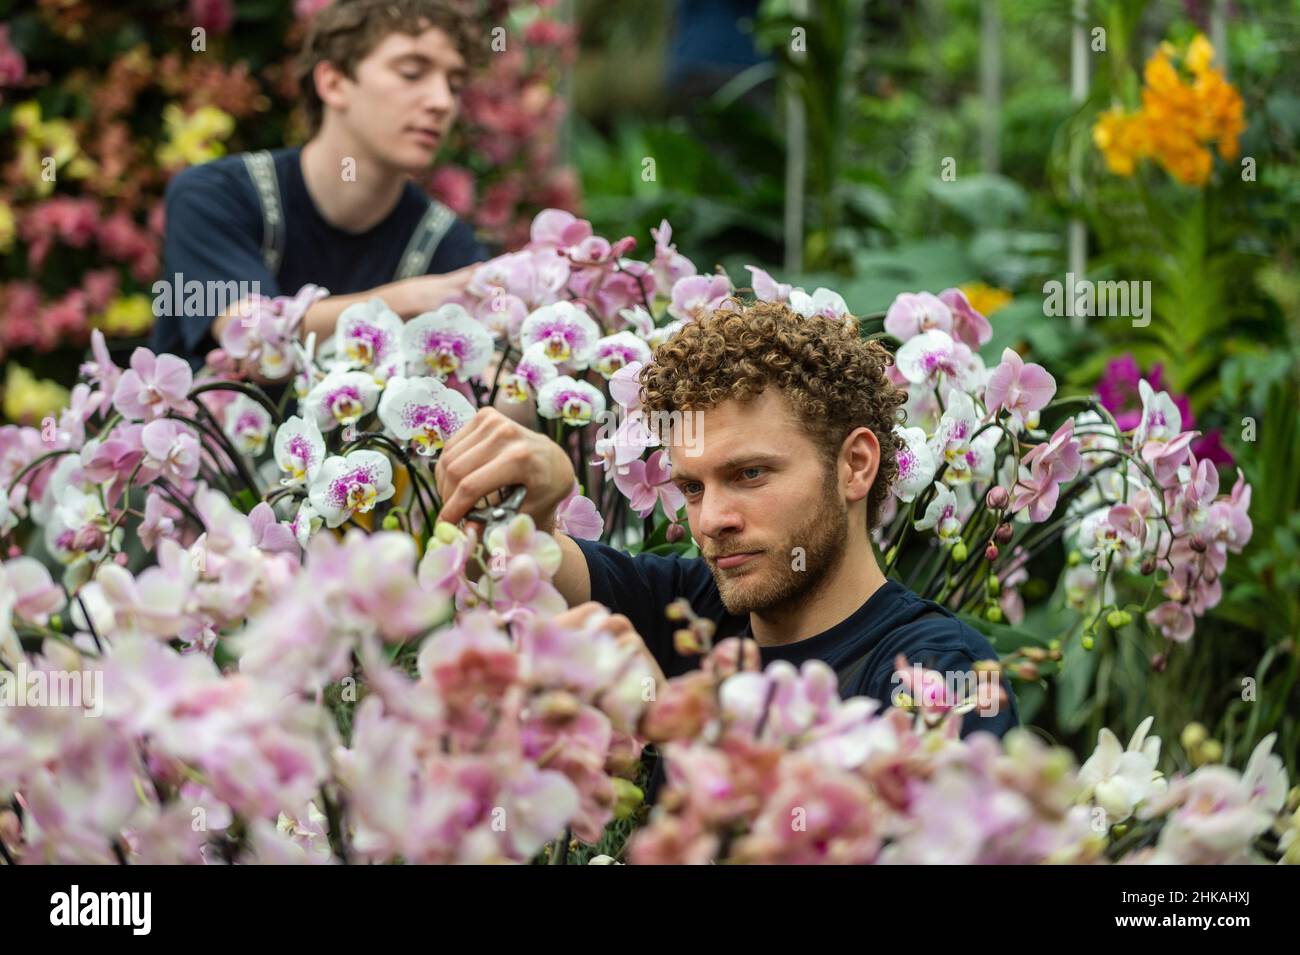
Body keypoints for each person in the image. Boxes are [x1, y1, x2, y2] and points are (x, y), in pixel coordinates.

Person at [435, 299, 1021, 738]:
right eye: (691, 486)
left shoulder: (935, 670)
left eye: (750, 475)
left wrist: (681, 731)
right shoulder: (688, 612)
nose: (712, 519)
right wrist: (534, 489)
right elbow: (523, 561)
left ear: (855, 466)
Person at [149, 0, 490, 373]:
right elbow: (251, 339)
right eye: (411, 73)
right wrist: (411, 300)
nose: (442, 102)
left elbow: (492, 385)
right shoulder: (214, 197)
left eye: (454, 86)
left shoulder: (444, 243)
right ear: (333, 82)